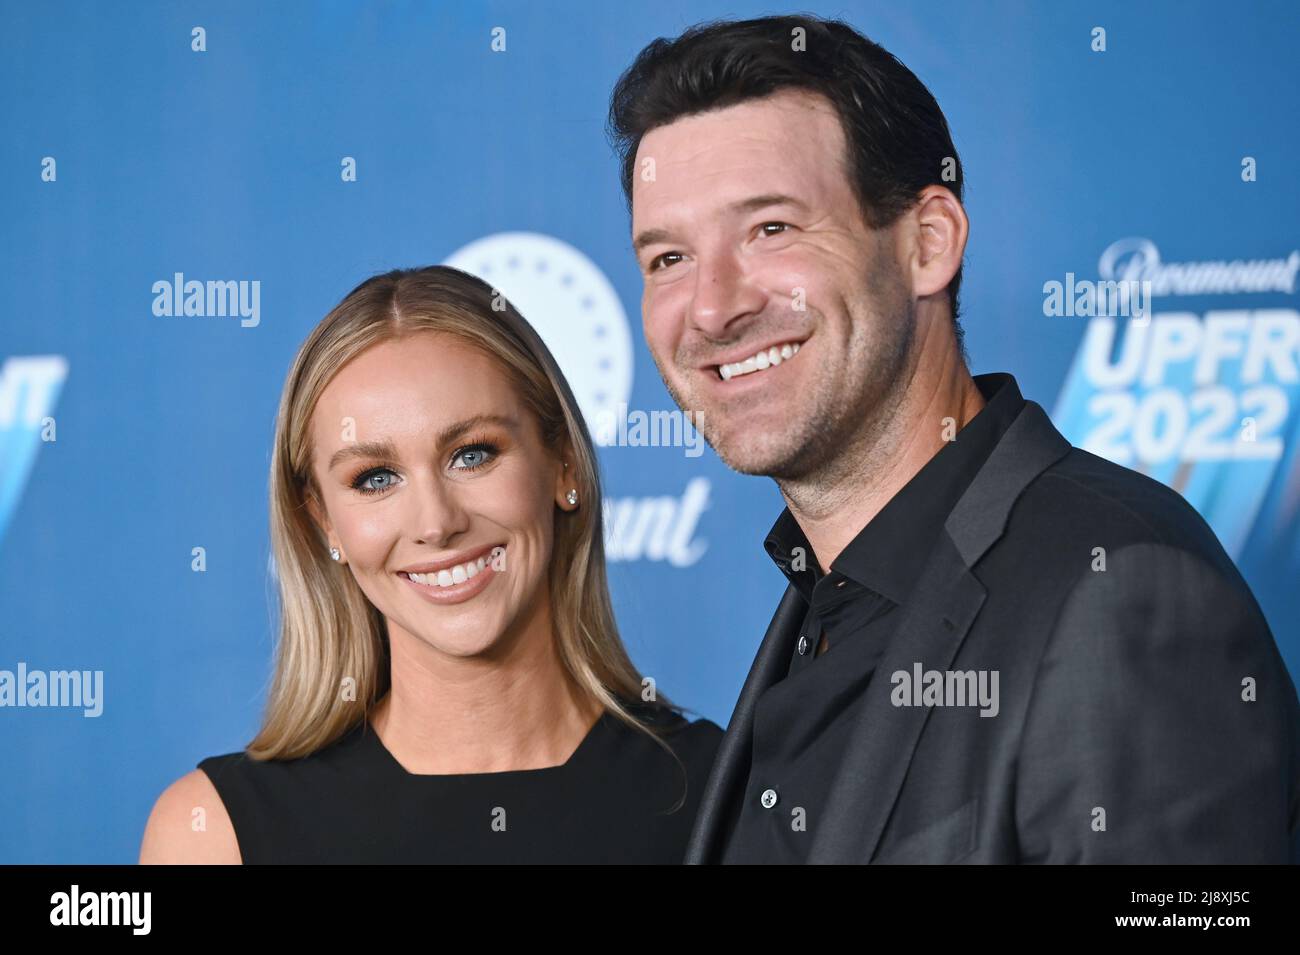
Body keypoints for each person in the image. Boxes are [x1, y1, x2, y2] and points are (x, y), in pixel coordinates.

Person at [607, 14, 1300, 863]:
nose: (712, 307)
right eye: (668, 258)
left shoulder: (1121, 592)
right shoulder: (820, 600)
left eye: (771, 229)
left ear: (927, 244)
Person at [139, 265, 722, 863]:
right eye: (375, 479)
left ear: (564, 464)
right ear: (324, 523)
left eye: (473, 454)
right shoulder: (213, 834)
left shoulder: (731, 793)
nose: (436, 523)